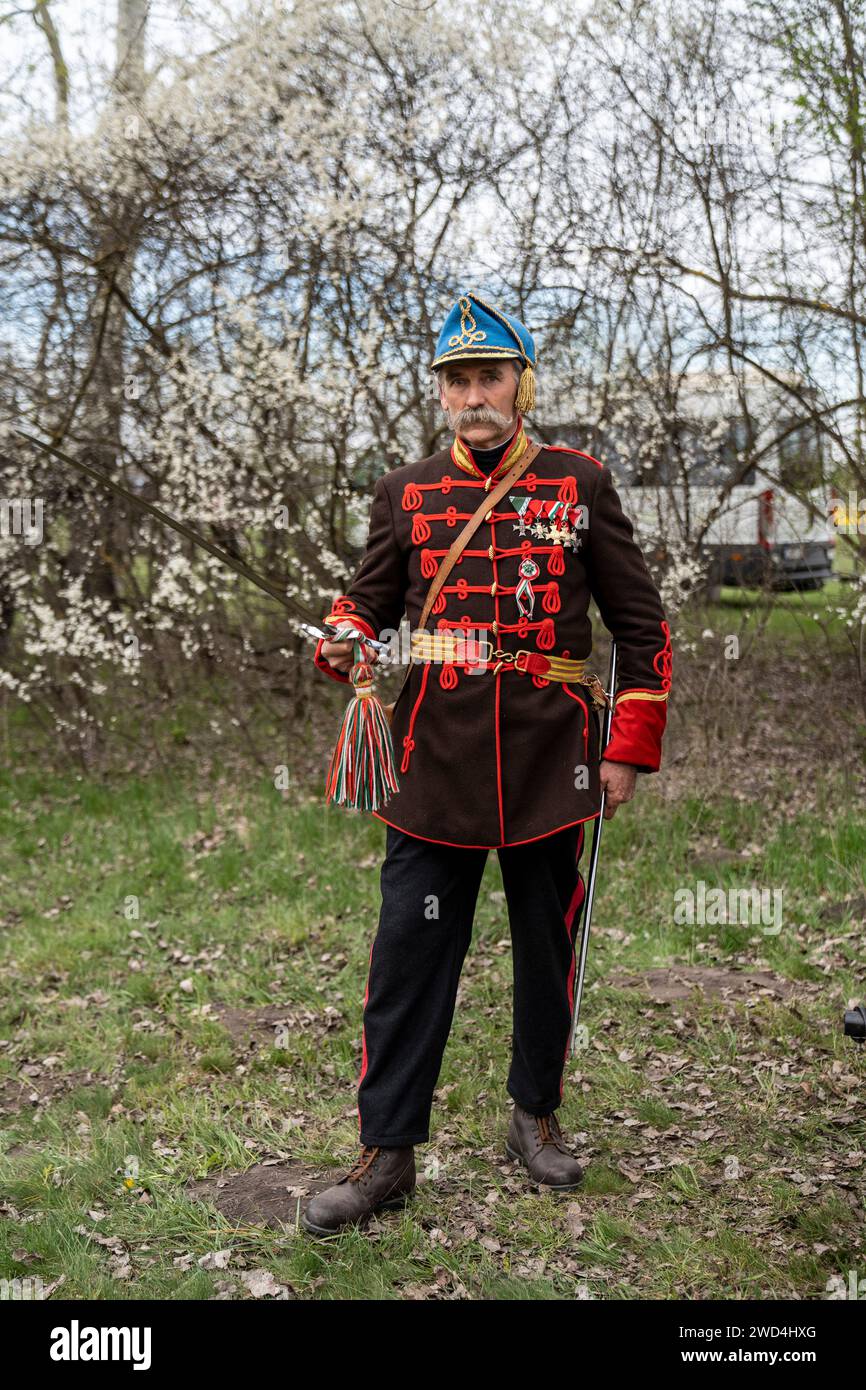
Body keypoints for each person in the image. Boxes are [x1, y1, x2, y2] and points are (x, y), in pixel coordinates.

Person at [302, 290, 672, 1236]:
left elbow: (642, 627)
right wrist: (345, 638)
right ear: (442, 394)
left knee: (548, 949)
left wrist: (624, 751)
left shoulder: (579, 482)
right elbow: (369, 600)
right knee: (409, 953)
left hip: (554, 754)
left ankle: (534, 1115)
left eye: (489, 377)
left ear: (522, 383)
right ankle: (387, 1154)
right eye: (457, 380)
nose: (474, 395)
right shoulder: (406, 489)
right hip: (435, 757)